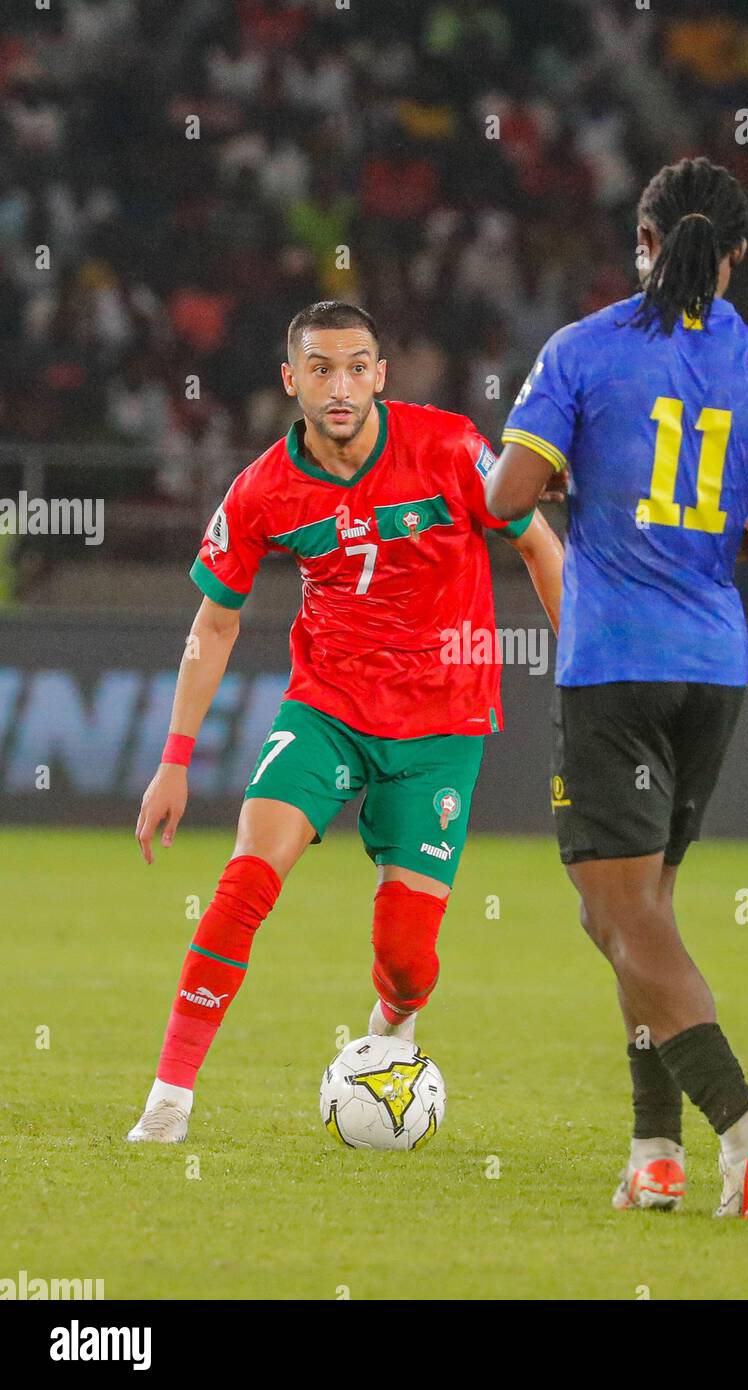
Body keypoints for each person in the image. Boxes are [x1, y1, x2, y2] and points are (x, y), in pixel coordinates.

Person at [485, 157, 748, 1218]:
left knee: (620, 915)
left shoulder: (584, 349)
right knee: (638, 912)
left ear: (641, 241)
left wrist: (557, 470)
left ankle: (743, 1124)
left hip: (612, 663)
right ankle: (653, 1151)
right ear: (733, 256)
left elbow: (502, 497)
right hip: (713, 667)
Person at [128, 299, 563, 1143]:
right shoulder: (262, 489)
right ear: (291, 380)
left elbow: (539, 547)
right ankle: (169, 1100)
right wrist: (174, 760)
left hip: (442, 723)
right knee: (246, 881)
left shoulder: (447, 447)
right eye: (321, 368)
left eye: (357, 366)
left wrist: (587, 674)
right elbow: (214, 622)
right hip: (328, 707)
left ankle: (393, 1025)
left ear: (381, 376)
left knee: (407, 955)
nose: (341, 385)